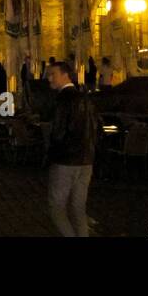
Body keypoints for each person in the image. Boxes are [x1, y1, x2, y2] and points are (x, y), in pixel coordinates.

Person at [45, 60, 97, 237]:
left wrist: (51, 154)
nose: (49, 78)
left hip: (66, 161)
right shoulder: (84, 98)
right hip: (85, 160)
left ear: (65, 75)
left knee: (56, 208)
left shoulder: (63, 99)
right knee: (78, 209)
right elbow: (94, 127)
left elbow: (58, 132)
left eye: (53, 74)